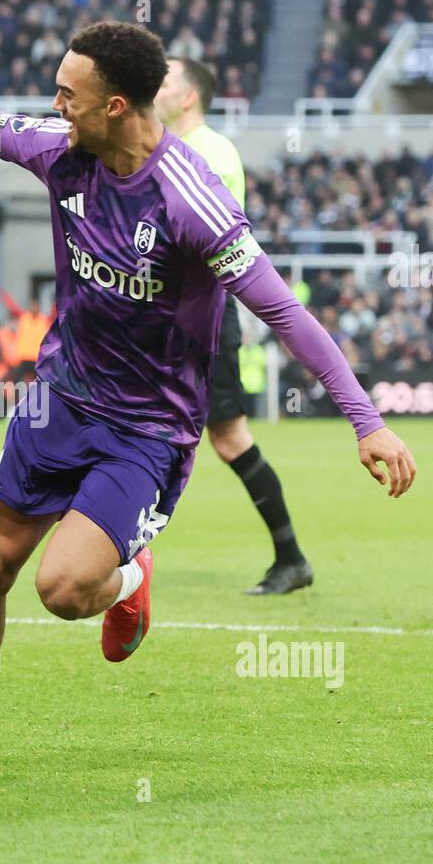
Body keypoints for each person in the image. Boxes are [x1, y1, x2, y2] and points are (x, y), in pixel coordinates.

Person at [0, 6, 415, 774]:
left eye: (68, 94)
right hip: (60, 398)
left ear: (114, 105)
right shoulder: (63, 153)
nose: (56, 106)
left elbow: (282, 309)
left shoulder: (192, 199)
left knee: (62, 589)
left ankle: (128, 575)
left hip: (148, 429)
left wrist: (366, 420)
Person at [155, 55, 313, 594]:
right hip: (166, 317)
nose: (156, 85)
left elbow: (196, 245)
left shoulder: (210, 152)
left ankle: (291, 557)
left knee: (228, 438)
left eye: (167, 79)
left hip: (202, 316)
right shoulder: (169, 147)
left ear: (189, 96)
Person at [0, 288, 51, 382]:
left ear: (39, 307)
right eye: (32, 306)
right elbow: (12, 306)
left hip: (37, 358)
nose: (34, 308)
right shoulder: (24, 317)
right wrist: (3, 294)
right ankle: (2, 393)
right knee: (13, 379)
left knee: (43, 382)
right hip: (23, 357)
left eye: (36, 306)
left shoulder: (44, 320)